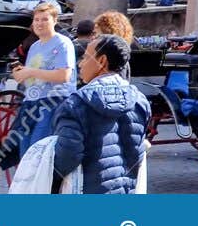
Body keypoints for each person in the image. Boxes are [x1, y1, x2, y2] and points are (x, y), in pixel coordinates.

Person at [50, 34, 150, 194]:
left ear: (101, 61)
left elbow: (67, 156)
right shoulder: (140, 101)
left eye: (85, 57)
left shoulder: (76, 104)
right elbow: (138, 153)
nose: (80, 64)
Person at [0, 0, 76, 167]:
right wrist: (21, 74)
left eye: (45, 19)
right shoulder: (34, 46)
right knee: (25, 150)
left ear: (55, 21)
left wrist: (31, 72)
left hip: (53, 101)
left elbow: (64, 75)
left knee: (38, 149)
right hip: (31, 102)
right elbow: (32, 79)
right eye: (37, 19)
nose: (39, 23)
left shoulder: (63, 43)